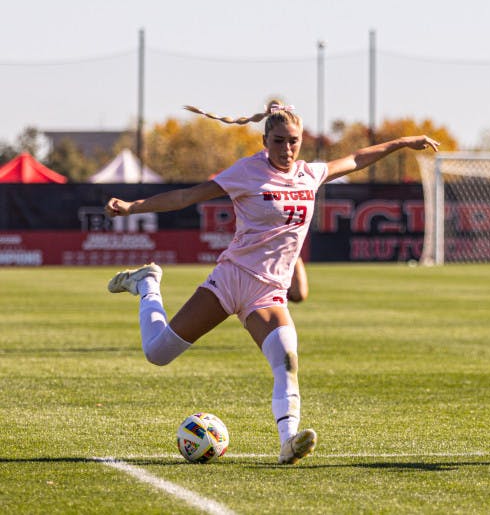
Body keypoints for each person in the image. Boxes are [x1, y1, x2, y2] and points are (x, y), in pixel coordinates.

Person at [104, 101, 440, 464]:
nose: (286, 149)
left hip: (268, 293)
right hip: (231, 280)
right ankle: (147, 285)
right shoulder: (246, 171)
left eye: (293, 141)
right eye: (278, 141)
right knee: (158, 353)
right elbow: (186, 196)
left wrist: (403, 142)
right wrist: (132, 207)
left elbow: (357, 159)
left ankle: (288, 441)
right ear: (265, 140)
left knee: (287, 360)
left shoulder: (309, 174)